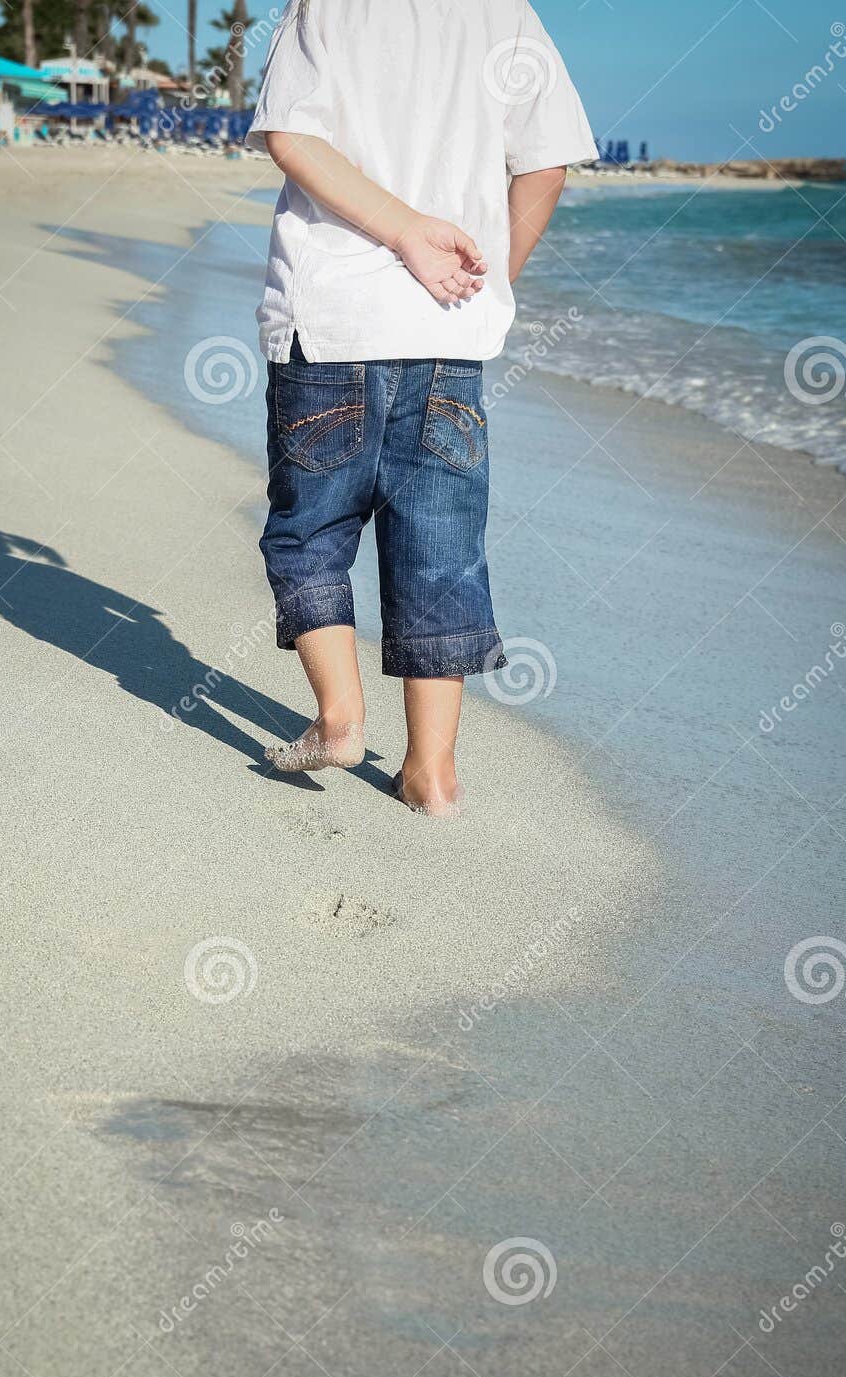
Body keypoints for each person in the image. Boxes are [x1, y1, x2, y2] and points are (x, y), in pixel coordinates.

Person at [249, 0, 595, 815]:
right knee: (441, 551)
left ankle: (339, 722)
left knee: (310, 535)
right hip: (448, 333)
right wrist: (487, 276)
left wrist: (402, 232)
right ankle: (431, 773)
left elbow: (290, 134)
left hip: (331, 320)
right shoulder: (506, 15)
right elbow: (545, 164)